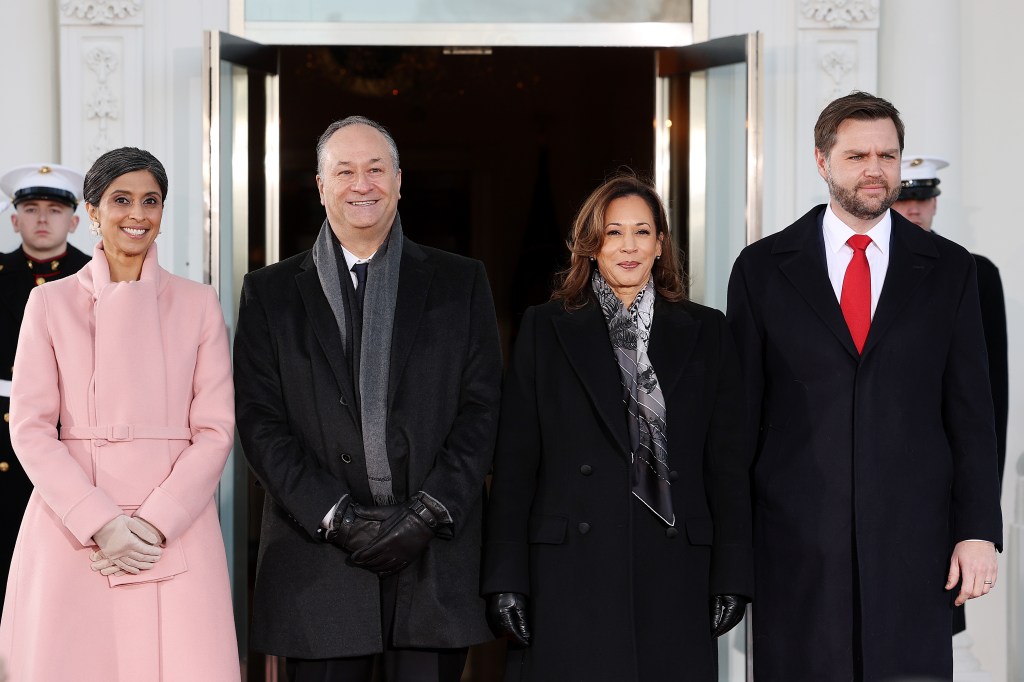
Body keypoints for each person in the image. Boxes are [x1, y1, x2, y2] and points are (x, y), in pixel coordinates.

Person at [726, 92, 1002, 681]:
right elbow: (739, 419)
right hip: (794, 547)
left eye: (887, 155)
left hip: (913, 547)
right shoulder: (761, 268)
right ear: (823, 162)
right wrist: (734, 553)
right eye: (857, 156)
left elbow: (973, 412)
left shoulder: (951, 269)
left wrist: (977, 530)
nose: (874, 170)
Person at [233, 116, 502, 681]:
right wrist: (335, 516)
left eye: (376, 169)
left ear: (399, 181)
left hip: (433, 556)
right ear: (321, 184)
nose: (363, 184)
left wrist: (429, 512)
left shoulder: (460, 282)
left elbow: (483, 409)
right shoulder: (271, 292)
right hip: (318, 559)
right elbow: (260, 422)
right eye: (346, 170)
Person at [482, 173, 753, 681]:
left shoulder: (707, 329)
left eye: (642, 231)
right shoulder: (545, 327)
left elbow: (727, 464)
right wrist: (505, 576)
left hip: (676, 567)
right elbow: (516, 463)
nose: (628, 246)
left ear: (661, 244)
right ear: (590, 246)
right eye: (613, 232)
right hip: (568, 571)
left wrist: (733, 573)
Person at [0, 147, 240, 680]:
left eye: (151, 201)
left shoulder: (199, 303)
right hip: (75, 524)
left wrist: (155, 524)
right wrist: (101, 523)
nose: (138, 214)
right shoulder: (49, 304)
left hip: (175, 527)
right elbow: (32, 428)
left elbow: (216, 430)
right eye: (121, 200)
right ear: (93, 210)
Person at [0, 164, 91, 613]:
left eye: (54, 209)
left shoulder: (96, 277)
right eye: (30, 208)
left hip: (70, 435)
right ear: (14, 218)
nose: (41, 219)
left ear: (74, 221)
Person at [891, 156, 1008, 484]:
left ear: (935, 204)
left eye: (923, 199)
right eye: (904, 198)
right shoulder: (864, 270)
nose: (914, 210)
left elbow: (991, 388)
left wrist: (988, 495)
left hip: (948, 462)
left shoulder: (975, 273)